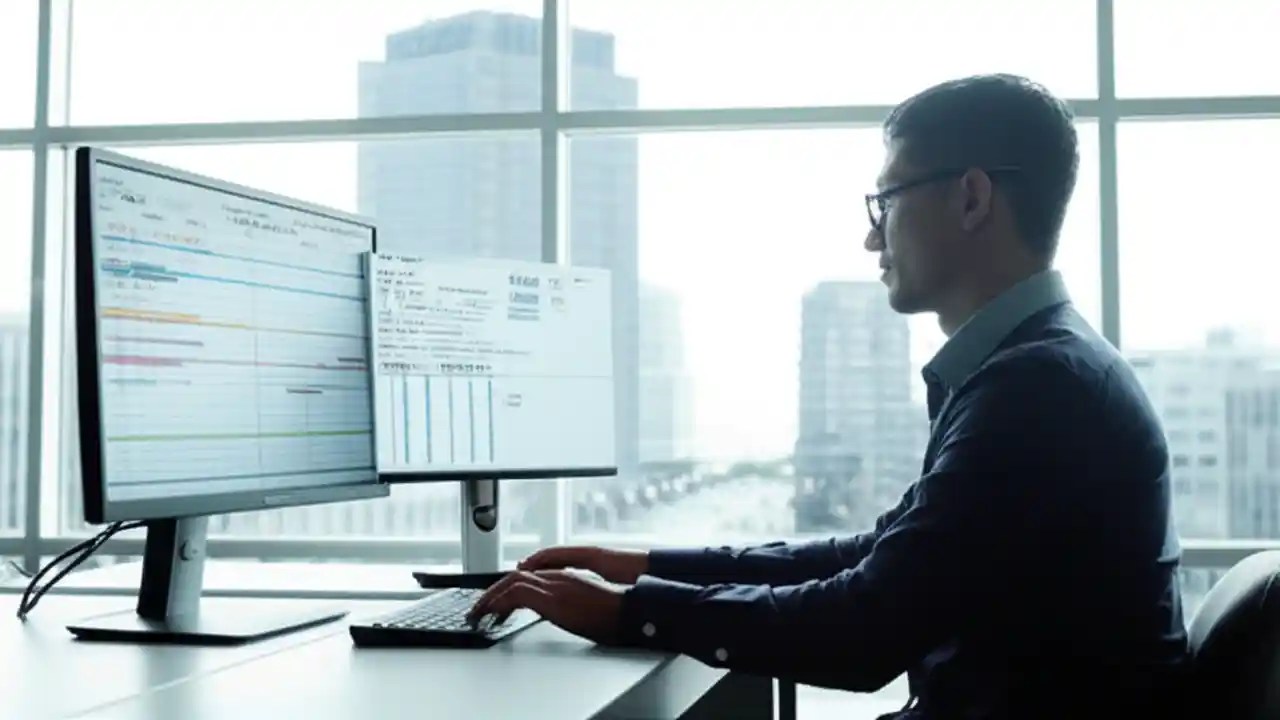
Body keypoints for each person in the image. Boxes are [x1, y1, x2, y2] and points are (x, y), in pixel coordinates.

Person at [468, 74, 1190, 718]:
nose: (871, 239)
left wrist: (631, 612)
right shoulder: (1037, 366)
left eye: (887, 201)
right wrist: (642, 566)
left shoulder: (1038, 390)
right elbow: (879, 556)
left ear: (971, 198)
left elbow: (864, 630)